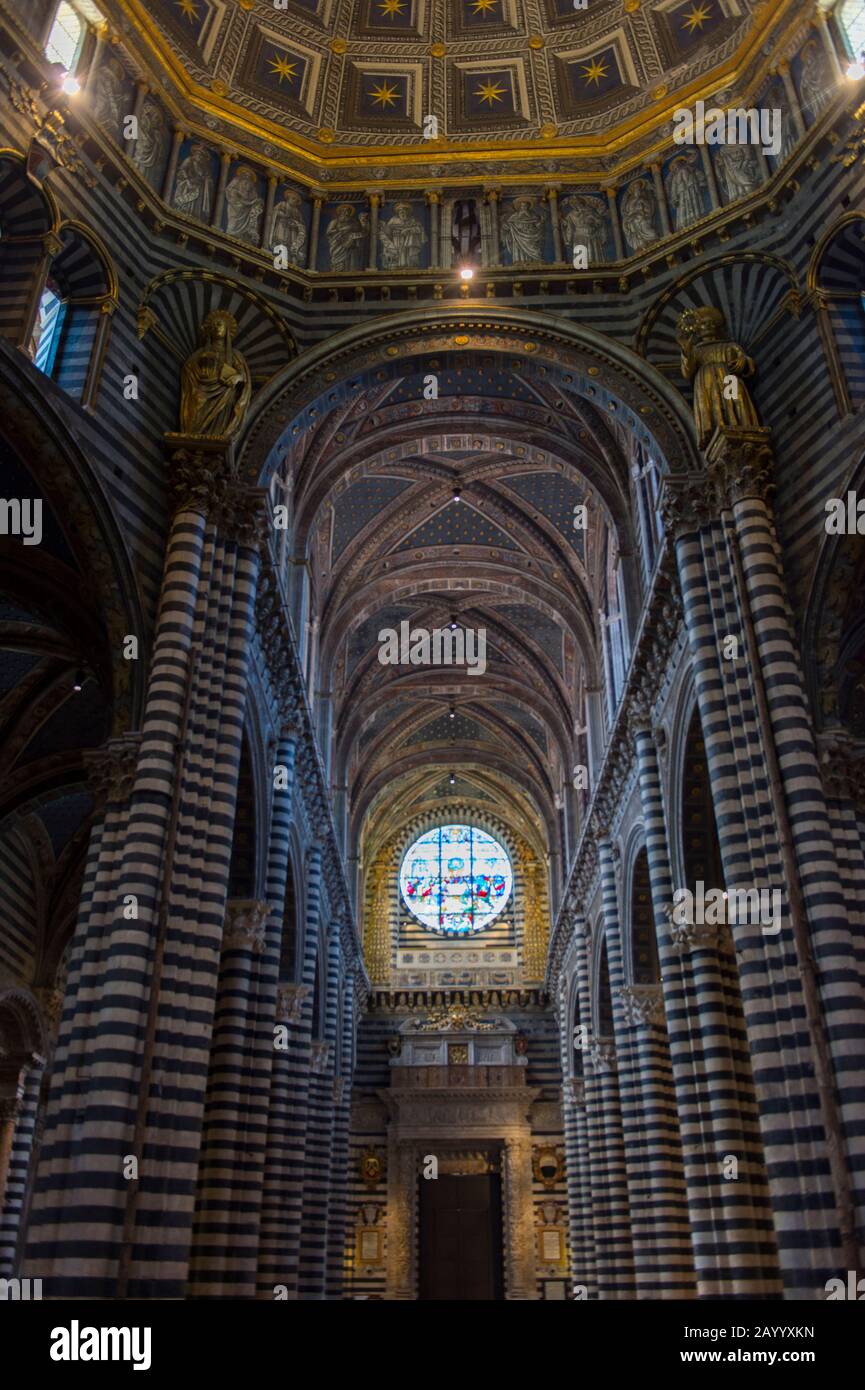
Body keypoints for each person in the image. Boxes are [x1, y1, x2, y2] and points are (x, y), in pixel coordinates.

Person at [179, 310, 252, 439]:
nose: (216, 328)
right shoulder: (201, 352)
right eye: (214, 326)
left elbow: (243, 375)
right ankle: (192, 435)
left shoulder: (235, 355)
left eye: (220, 325)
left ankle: (219, 434)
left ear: (227, 330)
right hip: (202, 388)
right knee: (197, 399)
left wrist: (237, 377)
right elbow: (187, 368)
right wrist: (198, 369)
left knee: (228, 401)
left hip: (224, 391)